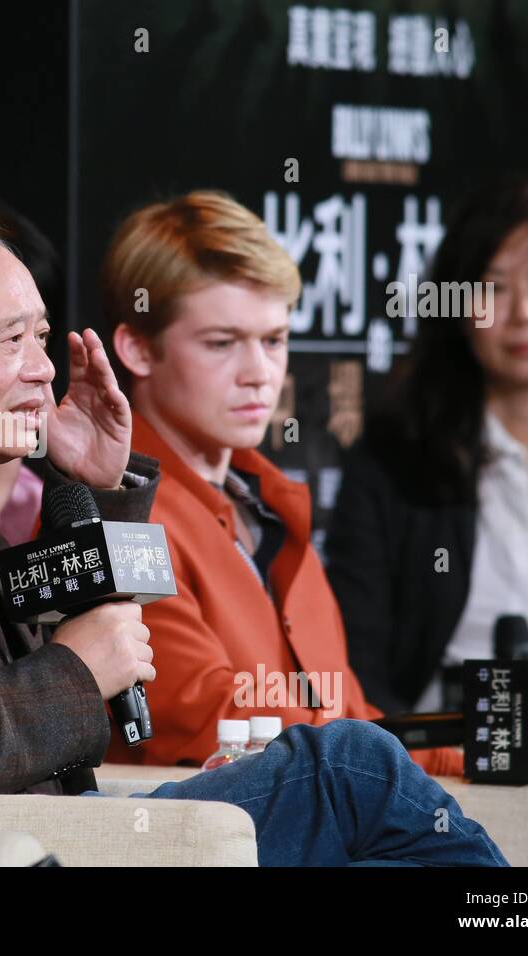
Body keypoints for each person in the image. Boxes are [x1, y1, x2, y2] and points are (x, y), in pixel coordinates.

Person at [0, 197, 506, 865]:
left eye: (43, 338)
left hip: (81, 822)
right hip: (4, 848)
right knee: (346, 767)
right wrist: (75, 671)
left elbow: (101, 681)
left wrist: (95, 489)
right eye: (11, 340)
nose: (41, 372)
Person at [101, 190, 462, 777]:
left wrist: (474, 755)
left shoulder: (268, 502)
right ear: (138, 349)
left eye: (274, 340)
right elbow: (218, 722)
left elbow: (343, 715)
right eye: (222, 343)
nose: (259, 374)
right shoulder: (121, 510)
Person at [325, 177, 528, 752]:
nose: (523, 313)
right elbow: (353, 658)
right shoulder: (394, 457)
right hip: (420, 771)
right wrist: (424, 761)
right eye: (493, 288)